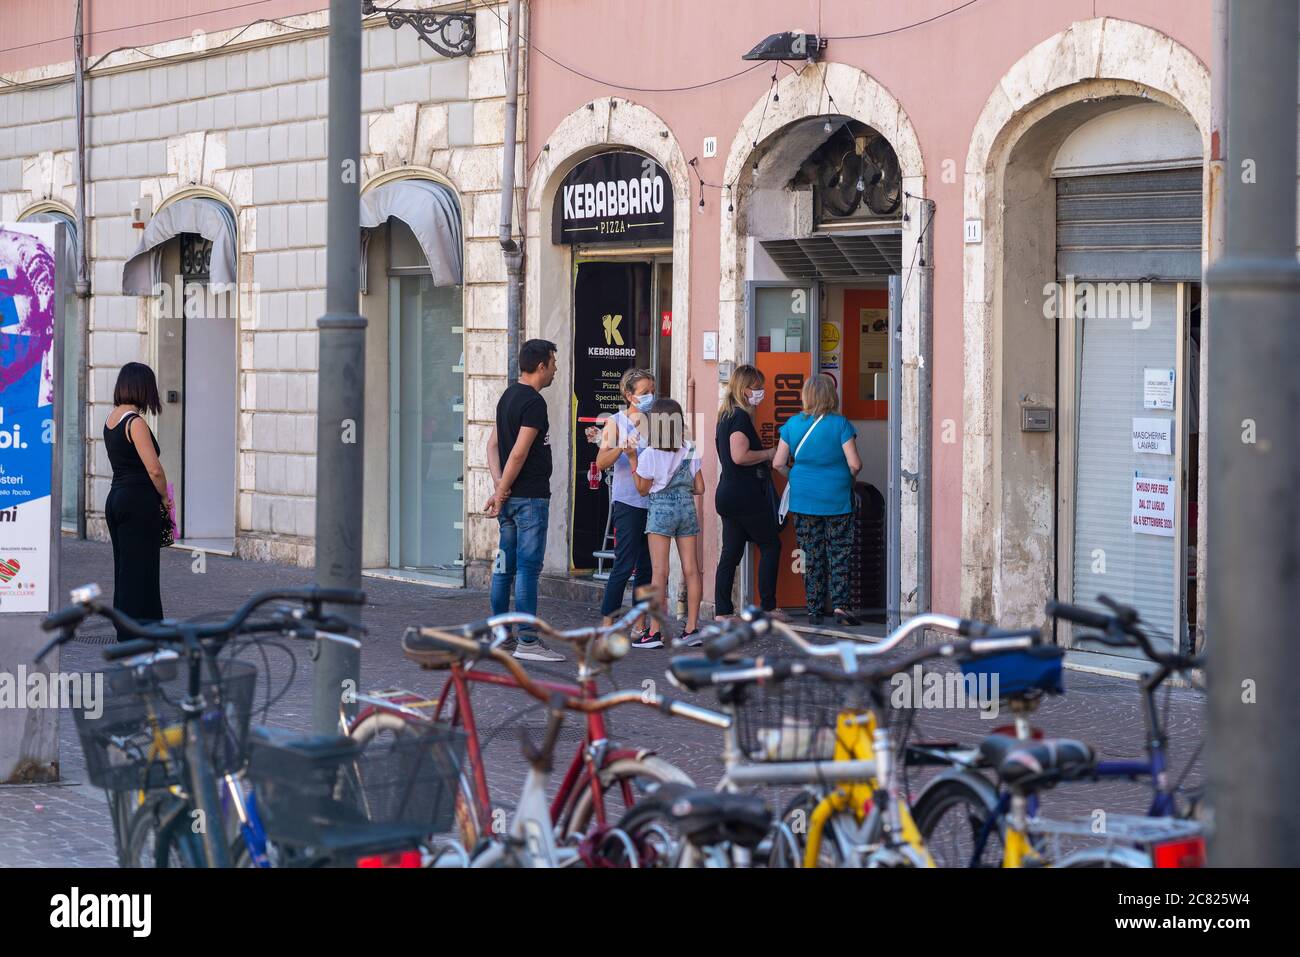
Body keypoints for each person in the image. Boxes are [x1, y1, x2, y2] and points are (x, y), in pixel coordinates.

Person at [485, 339, 564, 662]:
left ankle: (500, 637)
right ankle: (528, 642)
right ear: (541, 366)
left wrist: (499, 488)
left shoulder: (507, 396)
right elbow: (518, 452)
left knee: (504, 567)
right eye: (554, 363)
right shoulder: (533, 403)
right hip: (529, 498)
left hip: (511, 500)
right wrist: (502, 490)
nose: (556, 369)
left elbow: (491, 447)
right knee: (528, 569)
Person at [773, 374, 862, 626]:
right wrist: (847, 478)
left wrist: (796, 476)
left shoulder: (792, 425)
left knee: (810, 555)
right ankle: (841, 608)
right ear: (831, 396)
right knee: (839, 553)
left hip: (804, 500)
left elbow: (778, 462)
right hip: (837, 499)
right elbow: (855, 463)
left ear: (806, 396)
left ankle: (814, 609)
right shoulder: (841, 424)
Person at [713, 364, 786, 621]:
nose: (761, 393)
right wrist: (769, 453)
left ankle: (722, 610)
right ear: (745, 391)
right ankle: (768, 607)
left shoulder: (725, 415)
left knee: (731, 553)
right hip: (745, 494)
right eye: (757, 388)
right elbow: (739, 456)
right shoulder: (740, 418)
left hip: (728, 494)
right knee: (770, 544)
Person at [103, 363, 170, 639]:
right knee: (143, 571)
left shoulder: (112, 419)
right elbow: (153, 469)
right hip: (138, 502)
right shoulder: (135, 422)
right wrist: (166, 498)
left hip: (116, 497)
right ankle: (143, 631)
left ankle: (125, 628)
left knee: (125, 569)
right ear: (143, 388)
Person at [634, 398, 704, 648]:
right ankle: (692, 628)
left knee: (659, 572)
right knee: (692, 569)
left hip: (660, 509)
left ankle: (654, 632)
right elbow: (700, 487)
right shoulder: (691, 448)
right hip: (686, 508)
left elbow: (642, 489)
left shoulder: (650, 454)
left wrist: (633, 461)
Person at [591, 368, 656, 634]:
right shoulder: (615, 422)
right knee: (624, 564)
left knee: (647, 568)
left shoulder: (658, 422)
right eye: (644, 393)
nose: (650, 396)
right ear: (629, 395)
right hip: (628, 501)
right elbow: (601, 461)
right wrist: (622, 447)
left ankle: (639, 625)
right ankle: (608, 622)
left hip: (653, 501)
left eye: (652, 391)